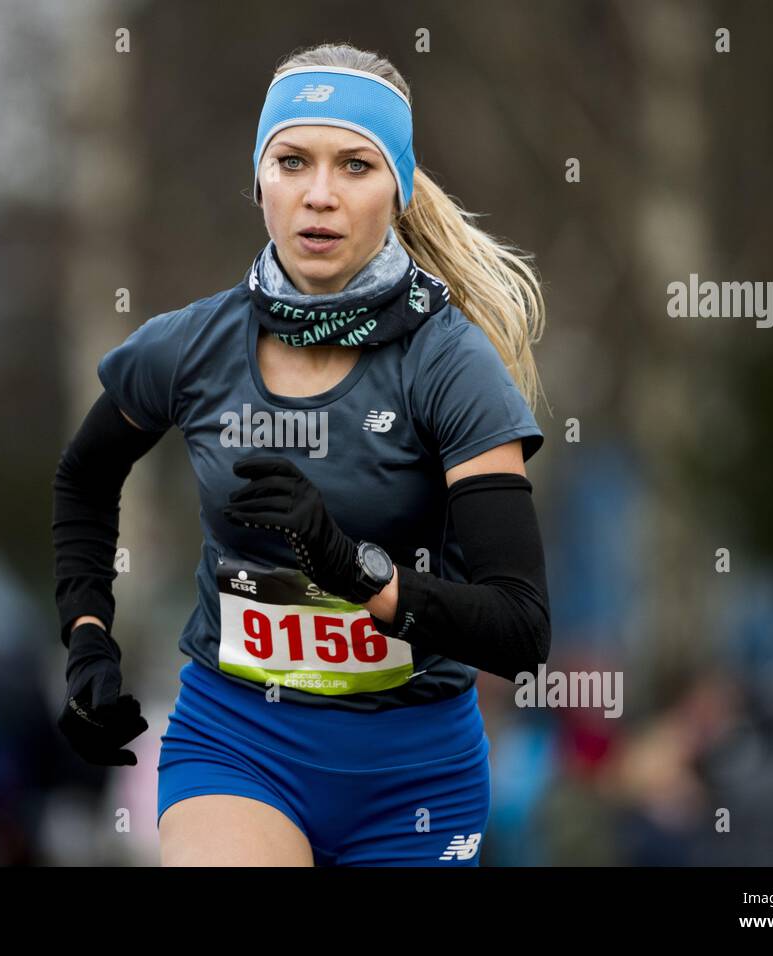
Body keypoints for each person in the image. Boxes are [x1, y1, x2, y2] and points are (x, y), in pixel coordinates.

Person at [51, 42, 551, 867]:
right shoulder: (191, 348)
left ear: (397, 186)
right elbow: (85, 475)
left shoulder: (450, 365)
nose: (319, 195)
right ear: (259, 181)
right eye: (292, 161)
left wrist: (358, 573)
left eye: (355, 165)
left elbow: (521, 629)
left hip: (412, 775)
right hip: (238, 742)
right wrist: (88, 637)